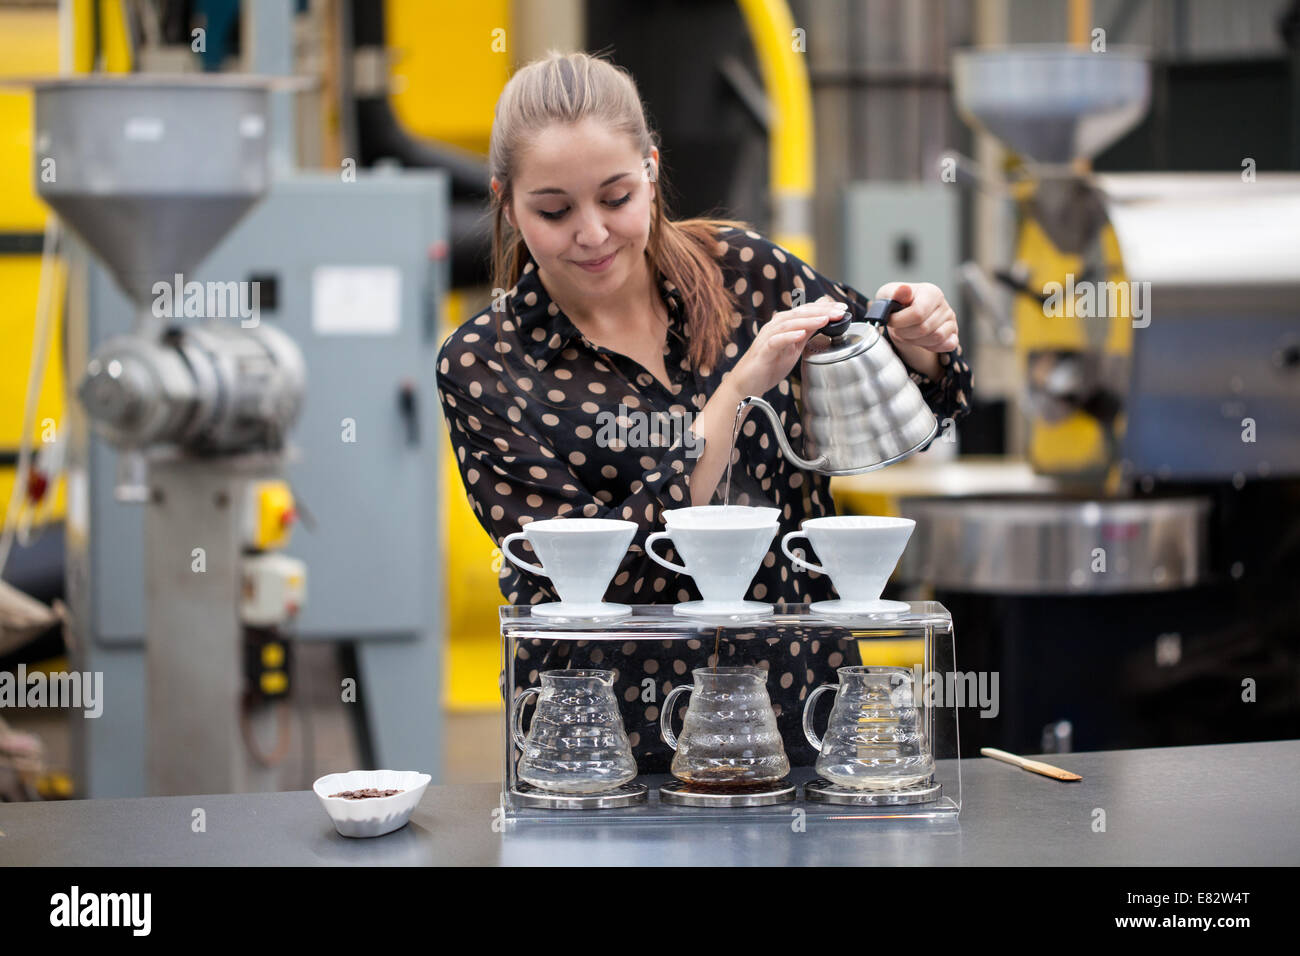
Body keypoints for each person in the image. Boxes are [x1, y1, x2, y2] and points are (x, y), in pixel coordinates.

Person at [437, 51, 971, 772]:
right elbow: (600, 572)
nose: (591, 233)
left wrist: (922, 340)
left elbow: (912, 397)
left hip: (799, 707)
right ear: (506, 200)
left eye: (617, 197)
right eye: (554, 210)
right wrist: (735, 392)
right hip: (606, 739)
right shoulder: (484, 364)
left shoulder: (747, 274)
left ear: (652, 170)